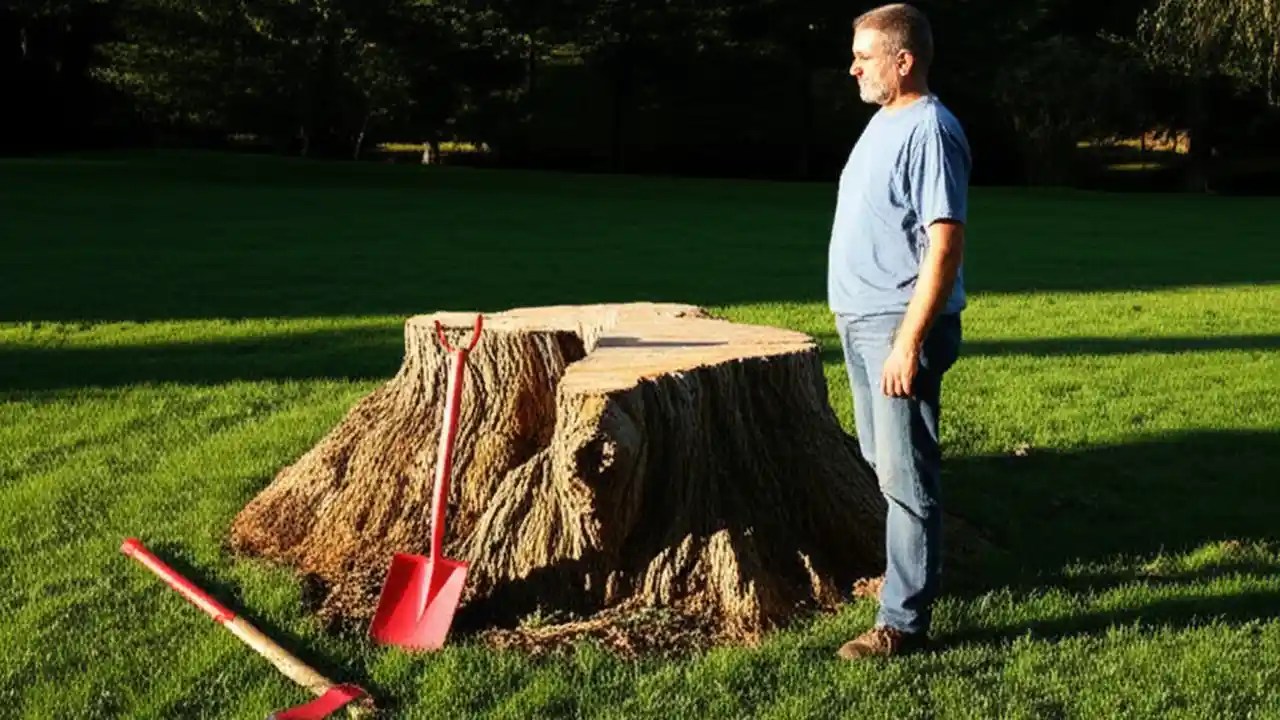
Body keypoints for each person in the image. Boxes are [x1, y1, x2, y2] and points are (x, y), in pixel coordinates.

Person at [828, 3, 971, 659]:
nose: (853, 65)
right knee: (884, 466)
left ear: (903, 60)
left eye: (865, 54)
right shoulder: (884, 122)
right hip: (862, 321)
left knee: (907, 477)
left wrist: (908, 342)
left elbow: (944, 245)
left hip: (897, 326)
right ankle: (906, 575)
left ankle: (902, 623)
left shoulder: (930, 130)